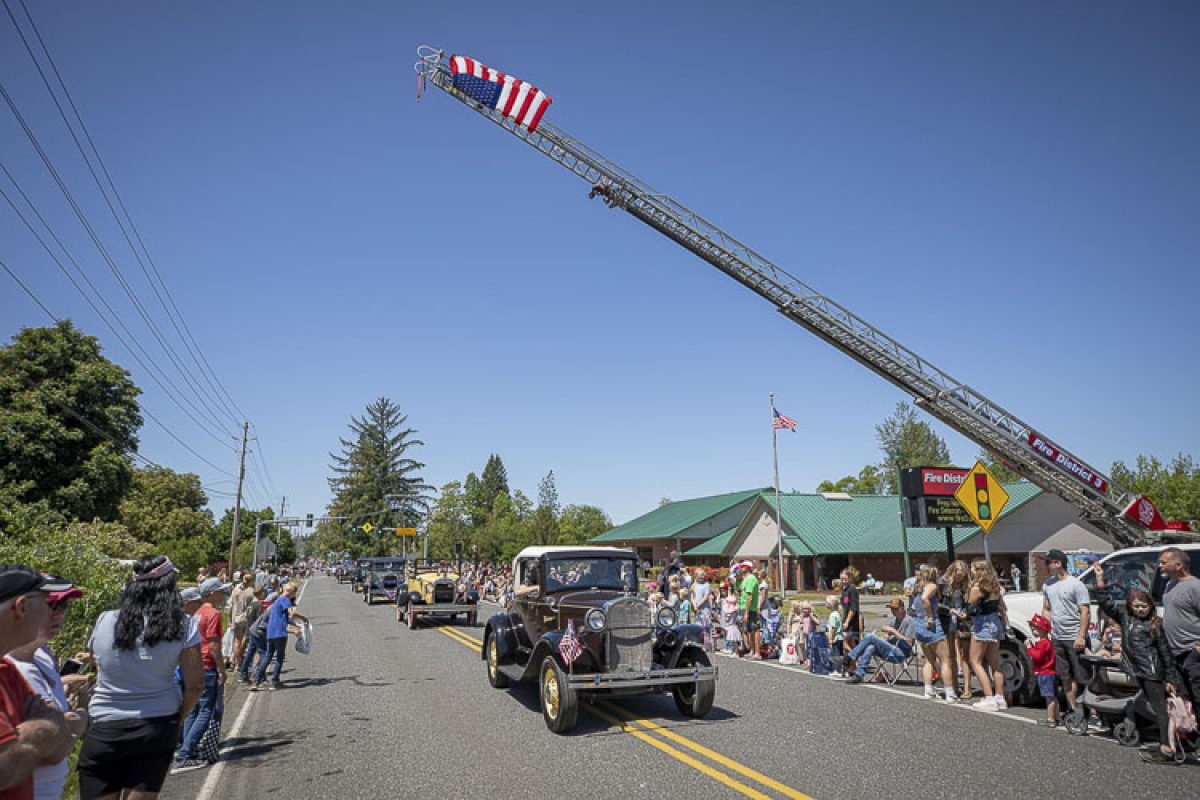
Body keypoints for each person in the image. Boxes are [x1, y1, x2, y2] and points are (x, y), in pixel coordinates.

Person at [79, 556, 203, 798]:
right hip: (158, 722)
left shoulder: (105, 619)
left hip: (105, 722)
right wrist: (180, 716)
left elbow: (99, 667)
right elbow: (196, 685)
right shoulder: (182, 624)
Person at [6, 578, 90, 800]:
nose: (59, 615)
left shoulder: (41, 655)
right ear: (21, 609)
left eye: (63, 607)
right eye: (51, 605)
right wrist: (79, 720)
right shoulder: (12, 668)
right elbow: (50, 751)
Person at [1093, 562, 1182, 764]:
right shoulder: (1126, 619)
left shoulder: (1154, 625)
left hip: (1152, 673)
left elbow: (1165, 653)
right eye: (1137, 606)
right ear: (1130, 606)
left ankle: (1168, 749)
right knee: (1153, 708)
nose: (1141, 610)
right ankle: (1166, 743)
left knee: (1161, 709)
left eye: (1144, 606)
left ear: (1151, 605)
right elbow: (1106, 603)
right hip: (1139, 671)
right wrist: (1100, 581)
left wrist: (1170, 678)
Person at [173, 577, 227, 772]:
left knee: (193, 710)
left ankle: (188, 747)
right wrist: (222, 669)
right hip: (207, 664)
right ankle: (186, 752)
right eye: (220, 591)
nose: (223, 595)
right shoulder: (213, 613)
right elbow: (213, 644)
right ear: (211, 593)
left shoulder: (196, 614)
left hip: (193, 662)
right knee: (206, 709)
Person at [1041, 548, 1091, 720]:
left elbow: (1085, 612)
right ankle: (1072, 709)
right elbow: (1046, 608)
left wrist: (1081, 636)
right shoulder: (1048, 584)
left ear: (1058, 563)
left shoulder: (1076, 585)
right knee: (1064, 676)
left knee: (1081, 675)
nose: (1046, 566)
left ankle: (1084, 709)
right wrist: (1046, 630)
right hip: (1057, 637)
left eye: (1048, 562)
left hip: (1074, 637)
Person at [1158, 547, 1200, 705]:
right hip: (1175, 653)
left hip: (1193, 652)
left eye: (1164, 562)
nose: (1160, 566)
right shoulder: (1169, 585)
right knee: (1186, 698)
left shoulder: (1195, 587)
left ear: (1178, 565)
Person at [968, 559, 1009, 711]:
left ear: (978, 571)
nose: (971, 571)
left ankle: (989, 697)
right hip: (996, 621)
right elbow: (1002, 606)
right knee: (994, 662)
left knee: (975, 661)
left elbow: (970, 605)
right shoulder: (996, 587)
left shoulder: (977, 588)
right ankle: (1000, 697)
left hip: (983, 623)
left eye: (972, 568)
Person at [911, 564, 956, 702]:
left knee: (929, 660)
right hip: (931, 624)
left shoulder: (918, 587)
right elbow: (925, 599)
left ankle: (928, 690)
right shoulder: (931, 586)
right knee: (946, 660)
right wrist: (930, 616)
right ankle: (950, 693)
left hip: (919, 624)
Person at [845, 597, 915, 684]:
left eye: (895, 609)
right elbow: (887, 634)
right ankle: (859, 674)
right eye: (891, 609)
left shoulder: (909, 621)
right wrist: (886, 636)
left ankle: (849, 658)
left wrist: (895, 633)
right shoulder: (894, 621)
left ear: (902, 608)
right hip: (890, 650)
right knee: (871, 647)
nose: (893, 611)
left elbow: (910, 643)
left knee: (870, 637)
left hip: (901, 653)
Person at [253, 582, 308, 691]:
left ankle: (257, 680)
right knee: (279, 657)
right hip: (279, 633)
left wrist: (296, 626)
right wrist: (304, 618)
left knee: (268, 656)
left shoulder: (277, 601)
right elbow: (291, 613)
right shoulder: (284, 600)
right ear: (292, 594)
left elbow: (285, 618)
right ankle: (275, 681)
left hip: (270, 633)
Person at [941, 560, 974, 699]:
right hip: (949, 621)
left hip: (963, 621)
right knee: (951, 656)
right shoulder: (944, 585)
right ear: (952, 573)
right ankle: (954, 686)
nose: (959, 578)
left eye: (962, 576)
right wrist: (949, 610)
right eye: (957, 575)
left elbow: (972, 604)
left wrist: (966, 612)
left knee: (965, 656)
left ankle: (967, 688)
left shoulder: (968, 586)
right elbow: (940, 604)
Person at [1026, 614, 1060, 727]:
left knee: (1049, 697)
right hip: (1051, 673)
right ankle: (1056, 717)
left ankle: (1051, 719)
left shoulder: (1042, 643)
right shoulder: (1047, 642)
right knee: (1053, 696)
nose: (1033, 630)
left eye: (1035, 628)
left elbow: (1037, 656)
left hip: (1045, 673)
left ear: (1043, 630)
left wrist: (1029, 647)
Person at [228, 572, 256, 675]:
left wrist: (230, 620)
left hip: (236, 617)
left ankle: (237, 664)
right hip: (247, 618)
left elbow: (230, 606)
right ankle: (244, 664)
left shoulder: (235, 590)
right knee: (245, 641)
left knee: (236, 641)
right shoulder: (251, 592)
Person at [740, 567, 762, 660]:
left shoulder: (751, 579)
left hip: (751, 609)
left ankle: (757, 652)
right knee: (749, 630)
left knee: (755, 629)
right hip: (746, 608)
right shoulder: (746, 579)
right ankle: (752, 650)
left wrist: (746, 612)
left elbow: (750, 597)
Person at [839, 570, 862, 652]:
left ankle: (856, 659)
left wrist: (847, 621)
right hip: (845, 620)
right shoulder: (844, 590)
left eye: (845, 579)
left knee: (851, 642)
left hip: (852, 621)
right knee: (847, 642)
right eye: (842, 580)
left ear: (850, 579)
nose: (843, 581)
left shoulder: (852, 589)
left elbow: (853, 608)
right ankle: (851, 661)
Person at [825, 595, 844, 672]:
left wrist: (830, 638)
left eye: (826, 603)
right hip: (840, 637)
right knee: (839, 654)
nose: (825, 605)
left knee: (835, 655)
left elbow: (833, 628)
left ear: (830, 605)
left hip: (835, 637)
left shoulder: (832, 615)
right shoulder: (837, 613)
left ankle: (836, 670)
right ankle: (841, 669)